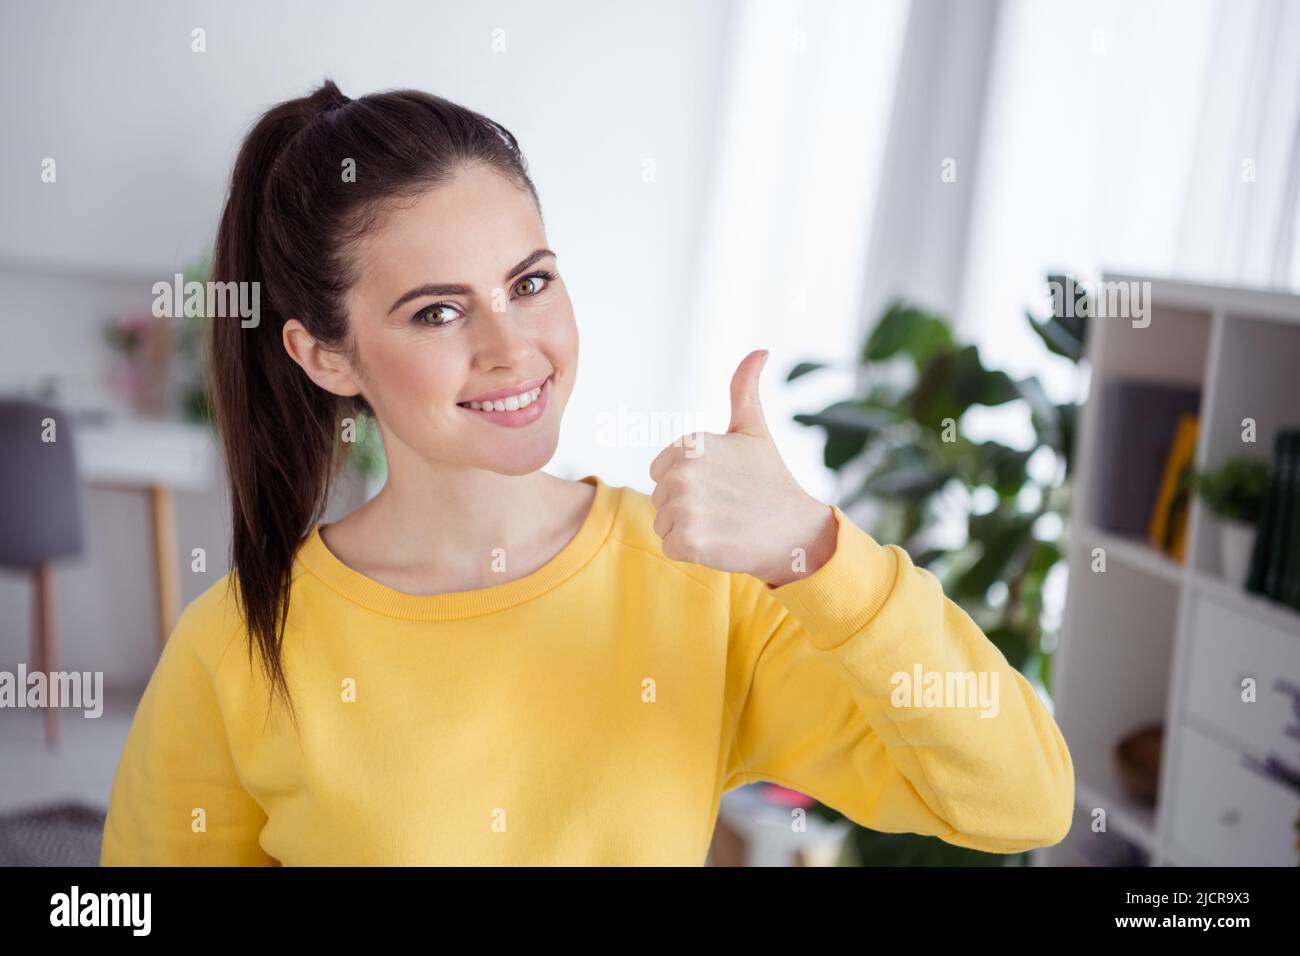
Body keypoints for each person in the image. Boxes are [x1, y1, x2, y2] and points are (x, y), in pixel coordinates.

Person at [100, 79, 1074, 866]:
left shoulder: (701, 585)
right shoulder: (234, 646)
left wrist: (816, 548)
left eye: (529, 282)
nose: (510, 346)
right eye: (437, 311)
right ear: (327, 357)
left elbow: (1020, 798)